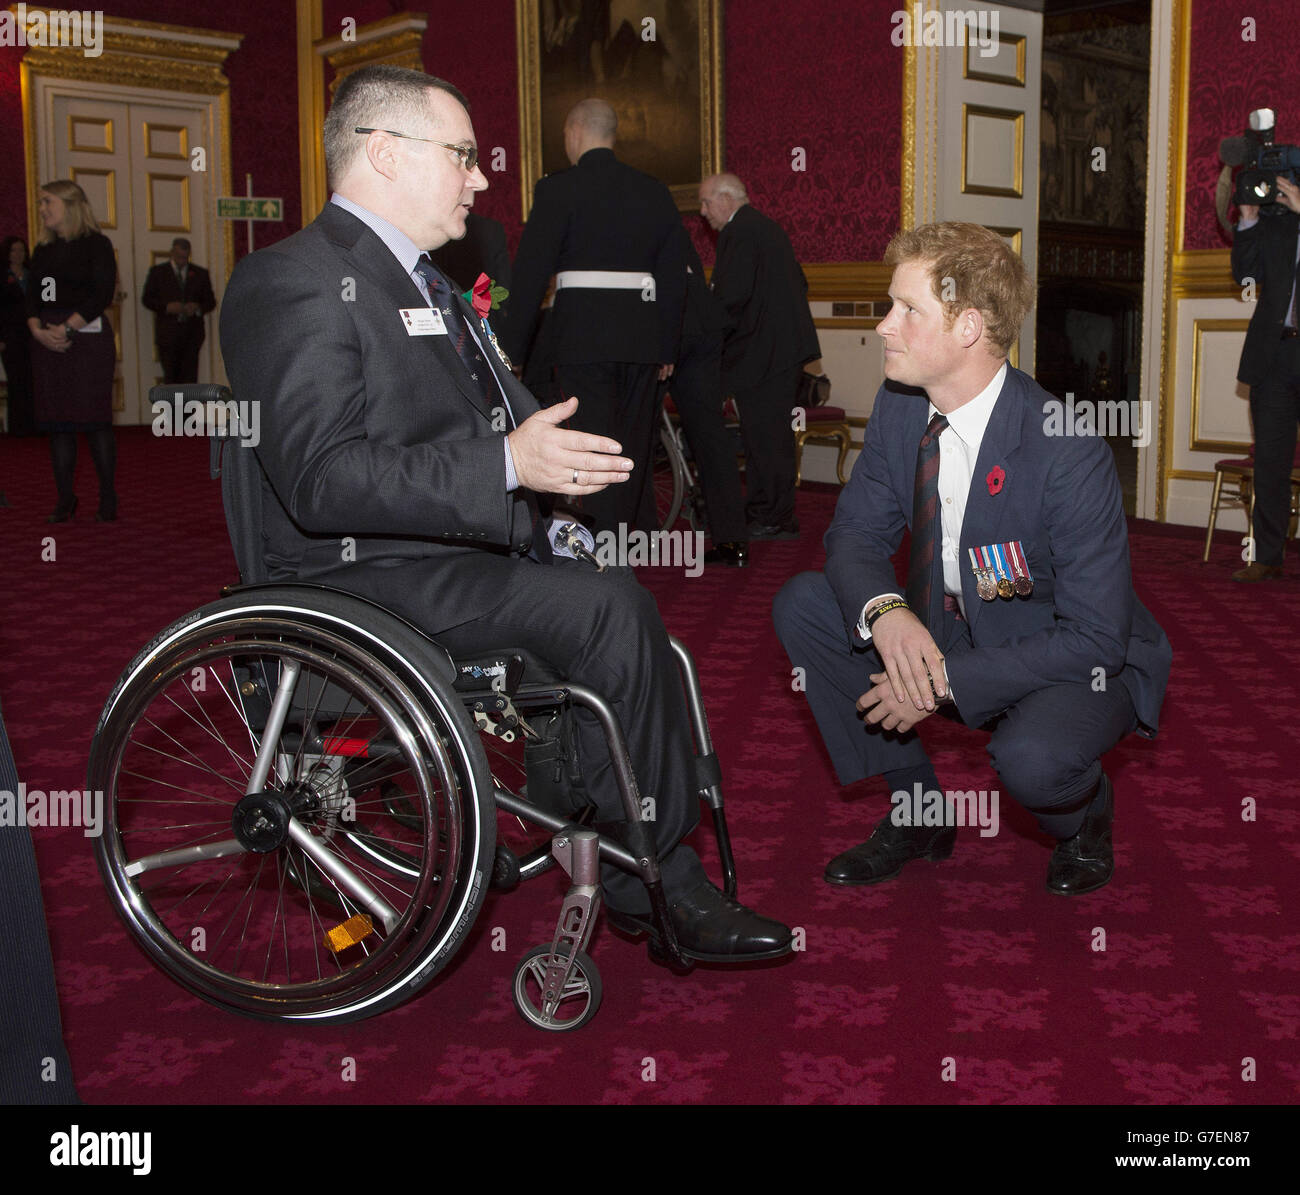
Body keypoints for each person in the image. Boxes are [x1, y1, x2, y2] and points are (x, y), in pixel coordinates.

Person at [219, 64, 791, 963]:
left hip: (448, 552)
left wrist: (548, 487)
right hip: (362, 580)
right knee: (608, 612)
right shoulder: (293, 280)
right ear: (384, 152)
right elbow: (320, 478)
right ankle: (661, 881)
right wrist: (507, 465)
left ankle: (605, 820)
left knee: (609, 586)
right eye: (461, 155)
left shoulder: (430, 283)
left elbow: (498, 412)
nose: (480, 179)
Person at [773, 222, 1171, 896]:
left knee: (1033, 760)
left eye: (908, 309)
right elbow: (855, 535)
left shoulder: (1066, 447)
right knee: (806, 605)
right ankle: (920, 813)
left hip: (1065, 654)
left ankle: (1085, 814)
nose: (884, 326)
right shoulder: (901, 407)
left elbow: (1096, 638)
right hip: (951, 621)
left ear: (968, 328)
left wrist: (937, 681)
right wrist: (888, 613)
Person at [503, 97, 686, 535]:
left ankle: (604, 547)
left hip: (582, 338)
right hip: (642, 340)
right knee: (634, 443)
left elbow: (530, 276)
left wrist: (510, 350)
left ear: (574, 131)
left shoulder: (557, 188)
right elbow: (673, 275)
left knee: (594, 444)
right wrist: (666, 347)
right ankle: (632, 538)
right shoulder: (653, 190)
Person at [700, 172, 820, 540]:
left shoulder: (738, 232)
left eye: (706, 202)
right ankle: (773, 512)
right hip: (780, 352)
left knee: (764, 439)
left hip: (761, 355)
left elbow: (731, 297)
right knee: (771, 437)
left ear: (726, 199)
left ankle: (772, 516)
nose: (703, 212)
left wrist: (704, 332)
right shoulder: (766, 228)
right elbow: (799, 282)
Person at [25, 180, 118, 523]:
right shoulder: (44, 250)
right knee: (58, 422)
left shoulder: (97, 245)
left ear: (70, 205)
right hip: (48, 338)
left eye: (47, 202)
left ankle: (107, 496)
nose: (41, 209)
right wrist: (37, 329)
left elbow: (101, 294)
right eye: (41, 203)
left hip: (86, 338)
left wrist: (67, 328)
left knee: (95, 420)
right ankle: (65, 497)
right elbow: (35, 295)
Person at [1229, 175, 1300, 581]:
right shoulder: (1277, 223)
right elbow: (1245, 276)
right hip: (1274, 356)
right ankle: (1267, 557)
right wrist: (1250, 219)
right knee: (1271, 464)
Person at [668, 224, 748, 564]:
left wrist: (663, 348)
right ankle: (733, 541)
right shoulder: (666, 217)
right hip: (704, 322)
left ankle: (630, 538)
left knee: (634, 433)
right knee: (711, 436)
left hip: (670, 324)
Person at [141, 237, 217, 384]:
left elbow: (210, 302)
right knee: (171, 379)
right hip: (168, 335)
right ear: (172, 253)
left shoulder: (200, 274)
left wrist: (197, 308)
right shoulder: (158, 273)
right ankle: (174, 401)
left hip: (192, 335)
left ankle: (187, 401)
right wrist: (167, 307)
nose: (182, 260)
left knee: (190, 379)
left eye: (185, 257)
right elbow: (147, 299)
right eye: (179, 256)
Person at [1, 235, 36, 437]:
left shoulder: (33, 276)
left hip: (32, 334)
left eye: (21, 250)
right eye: (14, 250)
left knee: (33, 379)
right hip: (10, 336)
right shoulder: (2, 277)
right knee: (16, 380)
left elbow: (46, 300)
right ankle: (18, 427)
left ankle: (35, 424)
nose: (18, 254)